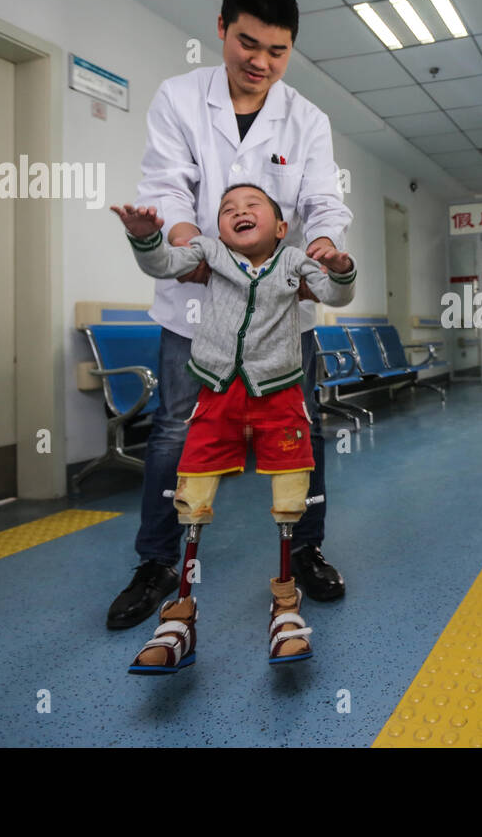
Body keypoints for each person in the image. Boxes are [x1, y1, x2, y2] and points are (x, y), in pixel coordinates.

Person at [106, 0, 353, 632]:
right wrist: (190, 249)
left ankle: (305, 551)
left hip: (280, 311)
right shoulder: (180, 98)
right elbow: (166, 186)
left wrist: (325, 245)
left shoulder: (307, 119)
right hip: (194, 310)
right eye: (248, 43)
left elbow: (323, 201)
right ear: (221, 28)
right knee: (174, 433)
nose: (261, 62)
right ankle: (157, 563)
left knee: (306, 431)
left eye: (278, 51)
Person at [111, 188, 355, 671]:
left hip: (279, 394)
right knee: (194, 493)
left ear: (282, 228)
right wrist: (146, 237)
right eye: (227, 210)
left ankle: (286, 603)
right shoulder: (208, 251)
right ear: (218, 228)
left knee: (290, 491)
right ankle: (178, 613)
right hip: (217, 392)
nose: (239, 211)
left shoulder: (291, 262)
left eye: (252, 206)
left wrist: (341, 268)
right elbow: (164, 263)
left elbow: (334, 294)